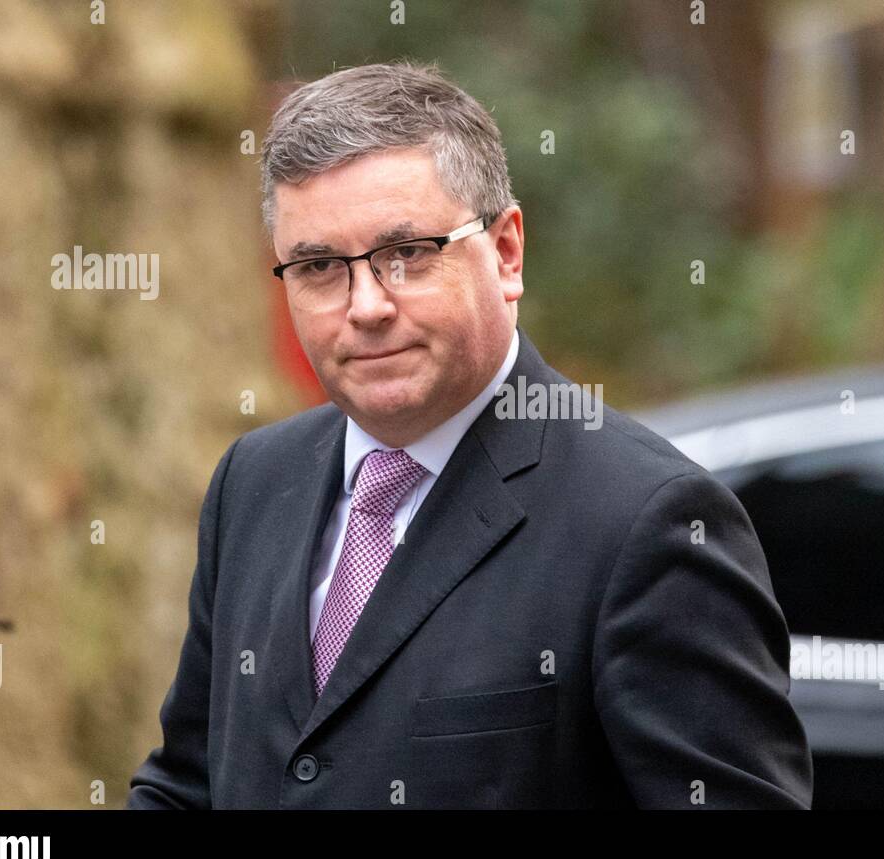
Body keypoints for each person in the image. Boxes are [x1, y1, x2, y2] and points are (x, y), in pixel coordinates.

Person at [127, 60, 812, 809]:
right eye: (320, 266)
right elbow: (188, 783)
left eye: (407, 254)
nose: (366, 306)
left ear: (507, 252)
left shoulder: (648, 523)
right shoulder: (254, 481)